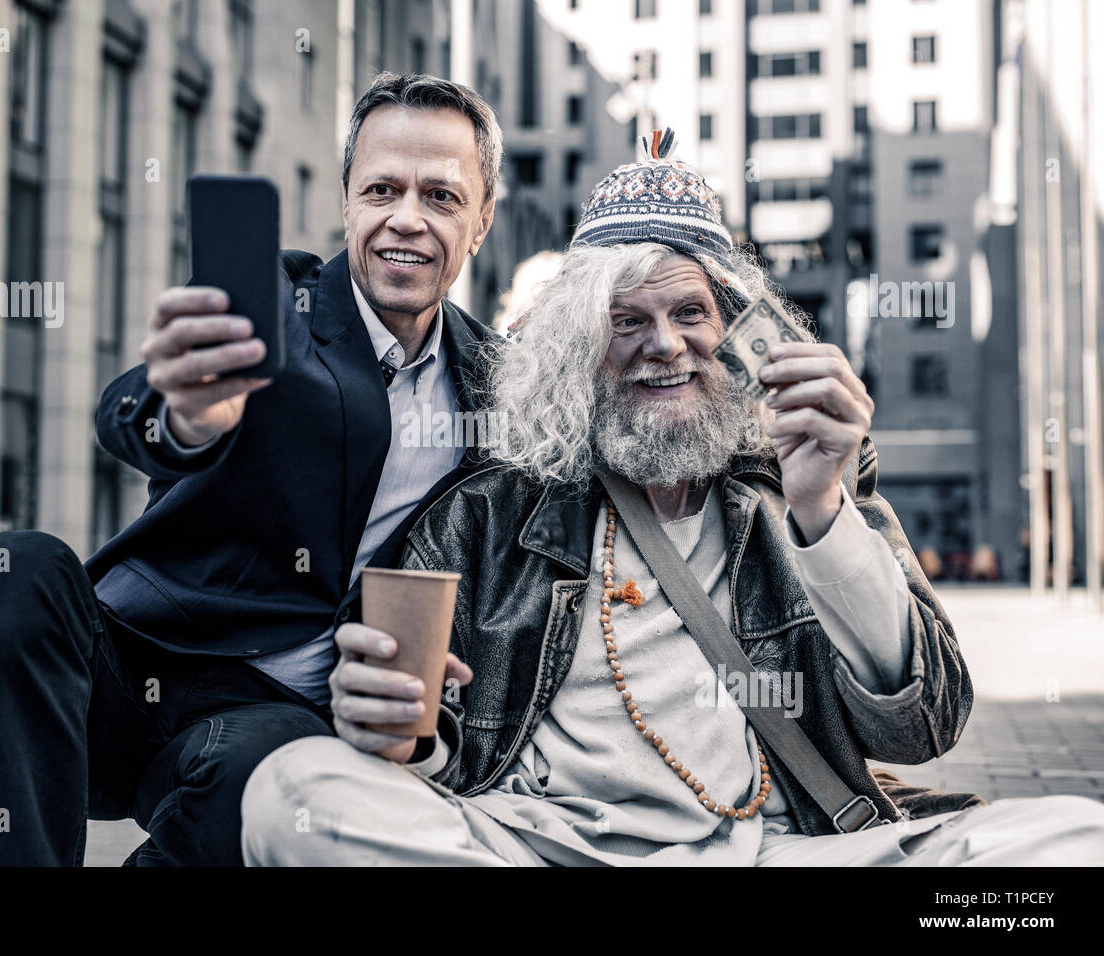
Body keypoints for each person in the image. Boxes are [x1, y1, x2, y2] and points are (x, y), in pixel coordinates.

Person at [242, 131, 1104, 866]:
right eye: (627, 321)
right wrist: (406, 734)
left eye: (690, 313)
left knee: (1069, 844)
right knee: (294, 793)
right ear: (579, 348)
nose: (666, 347)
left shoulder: (805, 485)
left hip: (776, 849)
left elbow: (924, 725)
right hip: (538, 847)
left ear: (735, 332)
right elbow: (434, 744)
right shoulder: (487, 513)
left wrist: (822, 513)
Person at [0, 72, 500, 865]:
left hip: (278, 718)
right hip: (128, 667)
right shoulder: (272, 303)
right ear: (347, 202)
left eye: (440, 197)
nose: (403, 218)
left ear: (481, 222)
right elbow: (127, 410)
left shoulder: (500, 389)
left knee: (269, 776)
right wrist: (186, 416)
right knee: (14, 570)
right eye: (381, 188)